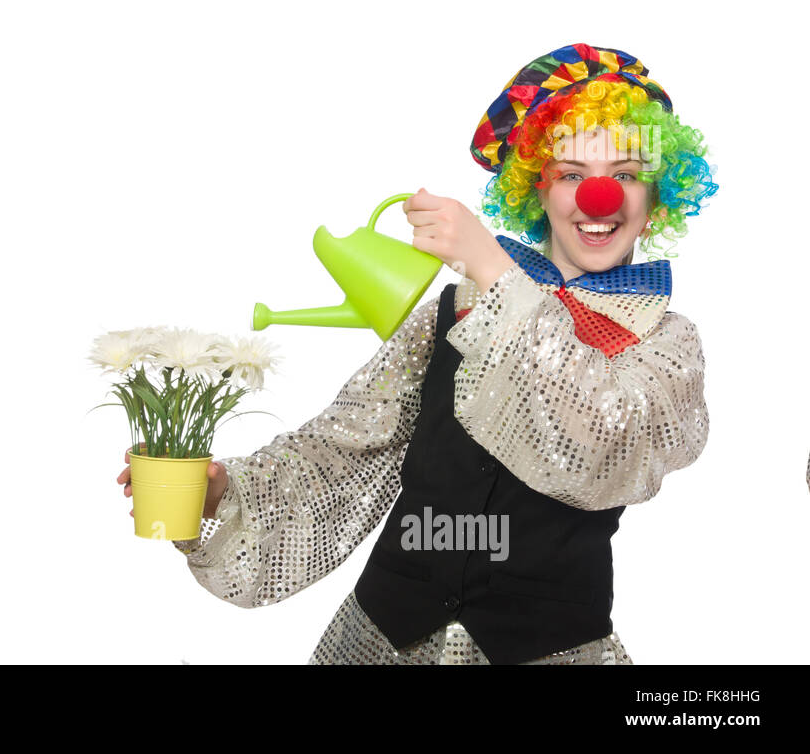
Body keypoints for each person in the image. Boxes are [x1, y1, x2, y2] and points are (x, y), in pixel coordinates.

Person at [117, 43, 717, 664]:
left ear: (655, 200)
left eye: (625, 174)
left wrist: (492, 267)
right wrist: (222, 495)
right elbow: (343, 450)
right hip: (379, 642)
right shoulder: (451, 312)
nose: (598, 197)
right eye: (570, 174)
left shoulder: (667, 343)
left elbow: (600, 447)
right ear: (536, 190)